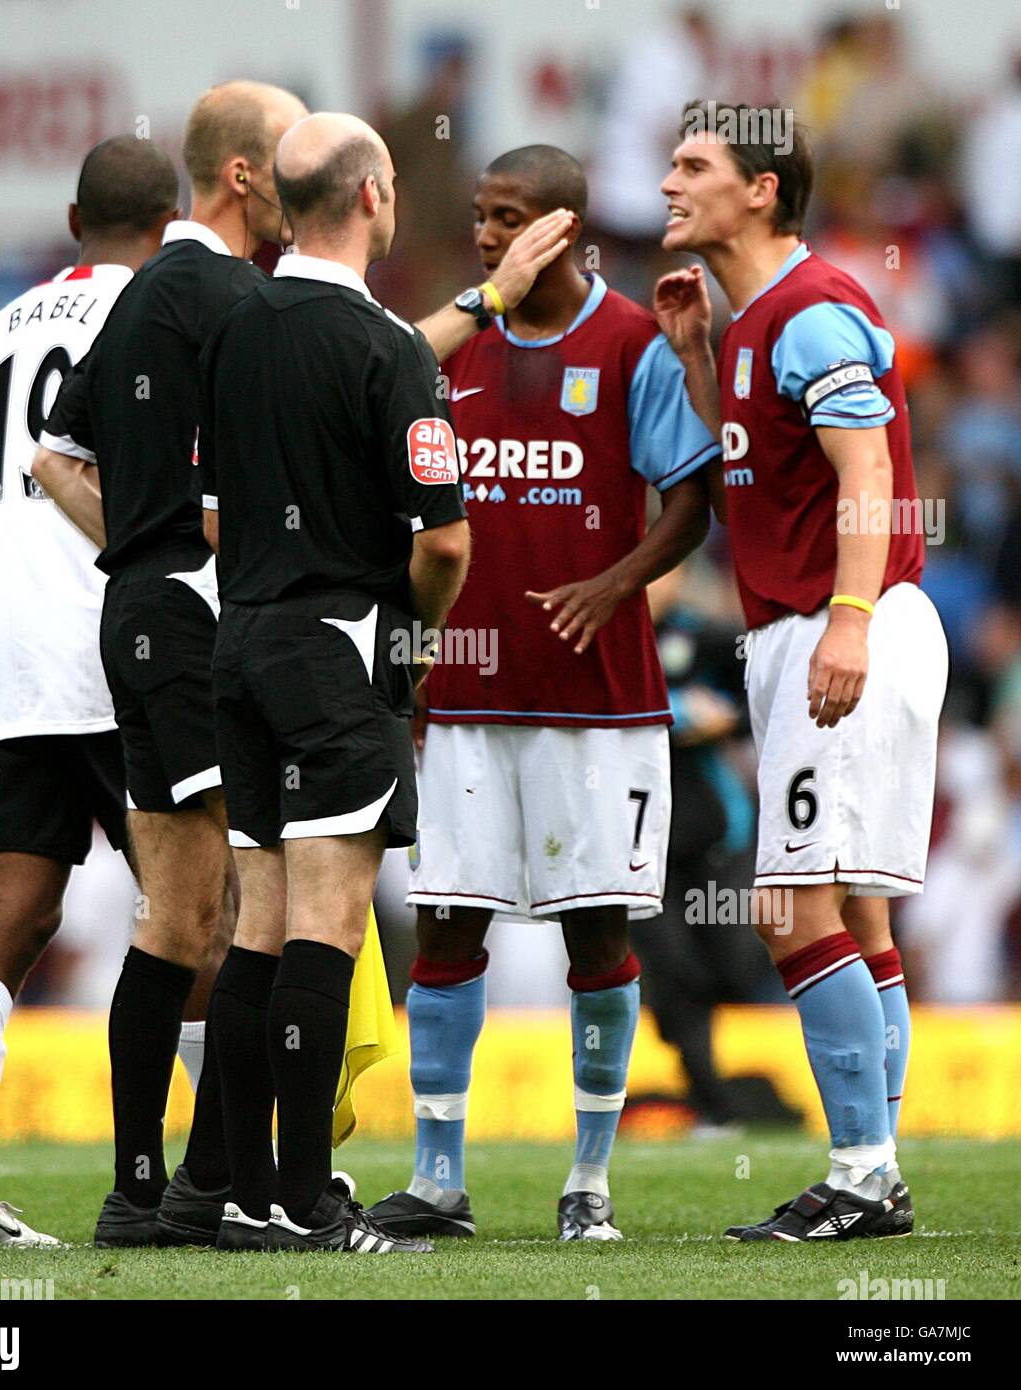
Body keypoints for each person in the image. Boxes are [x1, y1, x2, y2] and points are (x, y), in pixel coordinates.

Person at [366, 145, 719, 1243]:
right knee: (445, 924)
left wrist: (615, 583)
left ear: (559, 228)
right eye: (477, 215)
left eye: (504, 216)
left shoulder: (627, 345)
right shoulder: (451, 352)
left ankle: (589, 1181)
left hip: (598, 704)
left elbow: (692, 496)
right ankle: (437, 1179)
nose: (483, 234)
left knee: (596, 934)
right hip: (466, 694)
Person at [654, 99, 948, 1240]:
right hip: (810, 628)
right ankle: (872, 1169)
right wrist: (693, 360)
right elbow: (757, 478)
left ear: (761, 187)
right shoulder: (755, 324)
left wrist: (848, 616)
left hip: (839, 625)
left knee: (787, 902)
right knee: (855, 917)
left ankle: (864, 1173)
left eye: (694, 164)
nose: (670, 183)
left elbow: (868, 473)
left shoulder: (814, 311)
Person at [32, 80, 309, 1248]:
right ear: (245, 175)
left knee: (179, 915)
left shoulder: (145, 294)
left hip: (135, 619)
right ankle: (224, 1185)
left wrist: (136, 552)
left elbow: (56, 454)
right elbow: (221, 497)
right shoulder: (241, 301)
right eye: (289, 164)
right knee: (252, 902)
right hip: (195, 625)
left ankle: (142, 1191)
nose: (305, 189)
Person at [199, 112, 471, 1255]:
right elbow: (445, 542)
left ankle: (243, 1188)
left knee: (257, 926)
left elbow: (207, 509)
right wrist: (409, 633)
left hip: (238, 640)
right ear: (373, 195)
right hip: (337, 643)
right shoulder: (390, 347)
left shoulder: (226, 326)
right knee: (327, 924)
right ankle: (310, 1199)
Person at [0, 135, 180, 1247]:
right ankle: (213, 1176)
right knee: (193, 916)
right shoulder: (168, 315)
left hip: (1, 665)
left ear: (72, 218)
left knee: (8, 914)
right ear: (173, 225)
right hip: (121, 656)